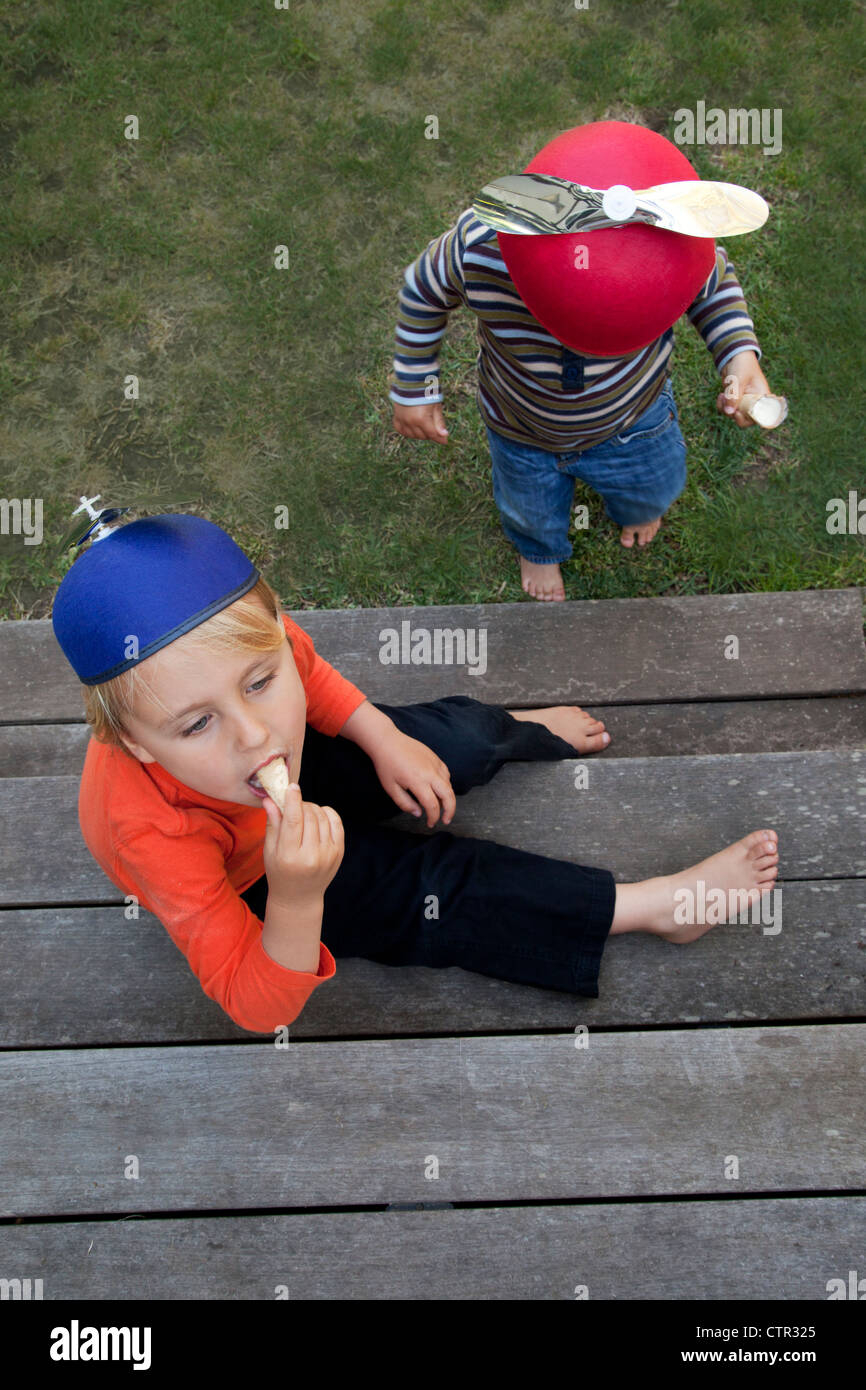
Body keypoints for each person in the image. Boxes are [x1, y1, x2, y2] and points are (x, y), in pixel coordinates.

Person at [51, 512, 779, 1035]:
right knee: (433, 891)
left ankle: (518, 733)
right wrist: (298, 896)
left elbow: (308, 672)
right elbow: (254, 1002)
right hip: (249, 870)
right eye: (197, 723)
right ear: (139, 746)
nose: (253, 735)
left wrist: (379, 734)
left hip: (299, 772)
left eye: (258, 684)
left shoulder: (239, 638)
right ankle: (649, 907)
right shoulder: (150, 829)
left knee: (448, 744)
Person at [390, 120, 781, 600]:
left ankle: (640, 508)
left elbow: (714, 287)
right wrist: (414, 384)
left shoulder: (677, 243)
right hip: (521, 428)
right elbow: (423, 291)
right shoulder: (481, 247)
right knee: (528, 509)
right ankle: (538, 548)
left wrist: (740, 358)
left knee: (652, 486)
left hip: (634, 418)